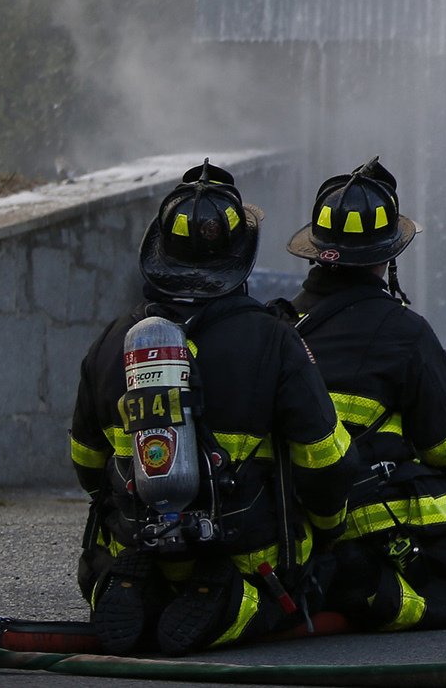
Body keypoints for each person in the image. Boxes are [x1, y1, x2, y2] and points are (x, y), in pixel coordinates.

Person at [68, 161, 357, 656]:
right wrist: (329, 531)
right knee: (310, 578)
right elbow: (325, 464)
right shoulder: (274, 341)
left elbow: (88, 466)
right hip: (248, 556)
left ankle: (125, 583)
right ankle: (231, 602)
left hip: (137, 541)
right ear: (240, 258)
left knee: (126, 558)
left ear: (159, 254)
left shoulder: (111, 342)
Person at [287, 158, 446, 630]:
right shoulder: (404, 333)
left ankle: (340, 587)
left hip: (295, 526)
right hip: (370, 518)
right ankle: (375, 598)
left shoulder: (280, 325)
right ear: (386, 254)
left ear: (317, 251)